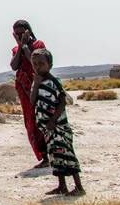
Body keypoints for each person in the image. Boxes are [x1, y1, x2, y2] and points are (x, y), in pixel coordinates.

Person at [30, 47, 84, 196]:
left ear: (50, 65)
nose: (37, 66)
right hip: (47, 128)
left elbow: (62, 101)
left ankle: (79, 187)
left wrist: (53, 120)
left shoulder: (54, 81)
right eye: (34, 64)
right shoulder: (38, 82)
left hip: (58, 126)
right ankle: (62, 186)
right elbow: (32, 101)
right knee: (55, 156)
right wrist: (35, 83)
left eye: (41, 63)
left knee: (67, 155)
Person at [10, 19, 49, 176]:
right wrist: (20, 46)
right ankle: (43, 155)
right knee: (30, 121)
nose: (20, 35)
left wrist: (26, 45)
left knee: (43, 118)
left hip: (38, 86)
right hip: (24, 87)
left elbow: (35, 62)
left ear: (28, 31)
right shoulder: (15, 49)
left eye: (22, 32)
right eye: (16, 33)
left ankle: (52, 153)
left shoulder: (39, 45)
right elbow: (14, 65)